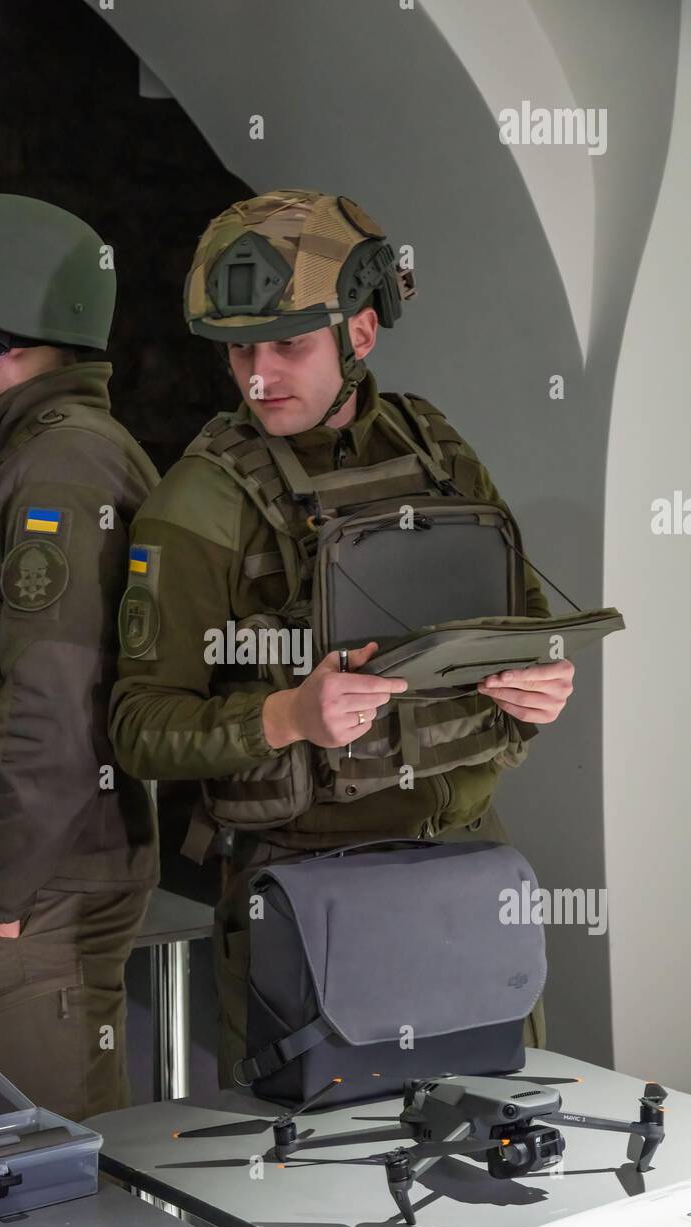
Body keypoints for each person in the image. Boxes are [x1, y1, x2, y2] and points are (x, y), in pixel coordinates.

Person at [110, 189, 574, 1087]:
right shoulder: (196, 506)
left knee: (505, 1152)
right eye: (242, 348)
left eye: (289, 344)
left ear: (360, 335)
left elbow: (525, 633)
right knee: (320, 1193)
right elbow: (137, 728)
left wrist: (540, 685)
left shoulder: (436, 449)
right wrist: (284, 716)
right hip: (307, 900)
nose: (258, 374)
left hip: (467, 871)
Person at [0, 193, 159, 1119]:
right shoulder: (41, 455)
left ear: (2, 327)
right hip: (47, 880)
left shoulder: (60, 468)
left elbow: (54, 709)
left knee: (43, 1185)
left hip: (40, 891)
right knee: (58, 1163)